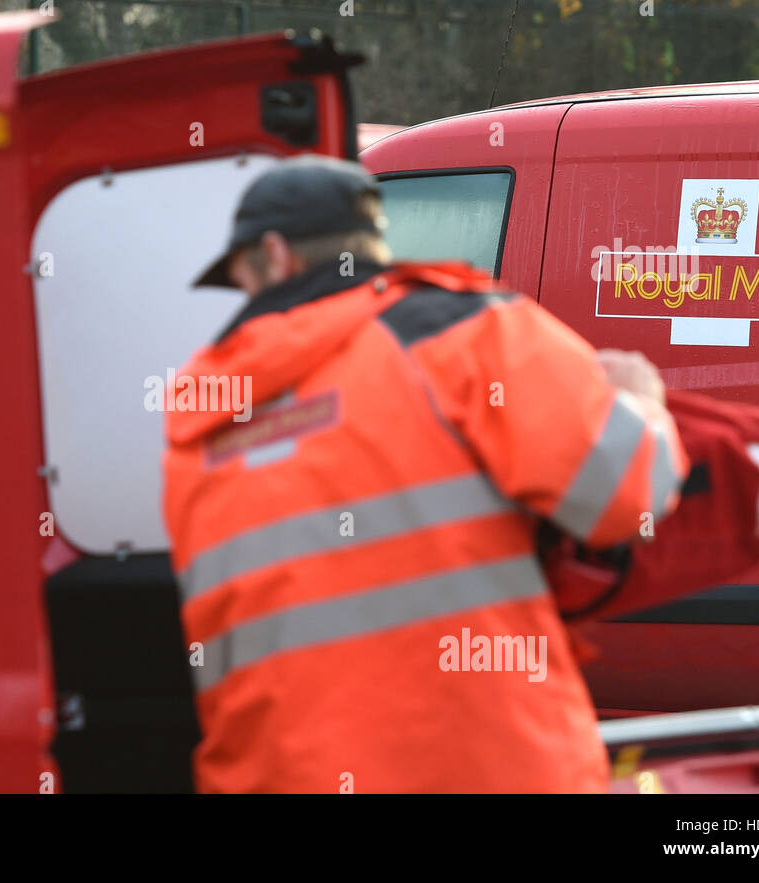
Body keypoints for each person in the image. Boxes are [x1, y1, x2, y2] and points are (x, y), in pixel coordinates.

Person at [161, 154, 687, 792]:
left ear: (274, 258)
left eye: (240, 279)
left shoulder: (198, 428)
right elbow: (623, 494)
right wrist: (641, 404)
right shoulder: (458, 333)